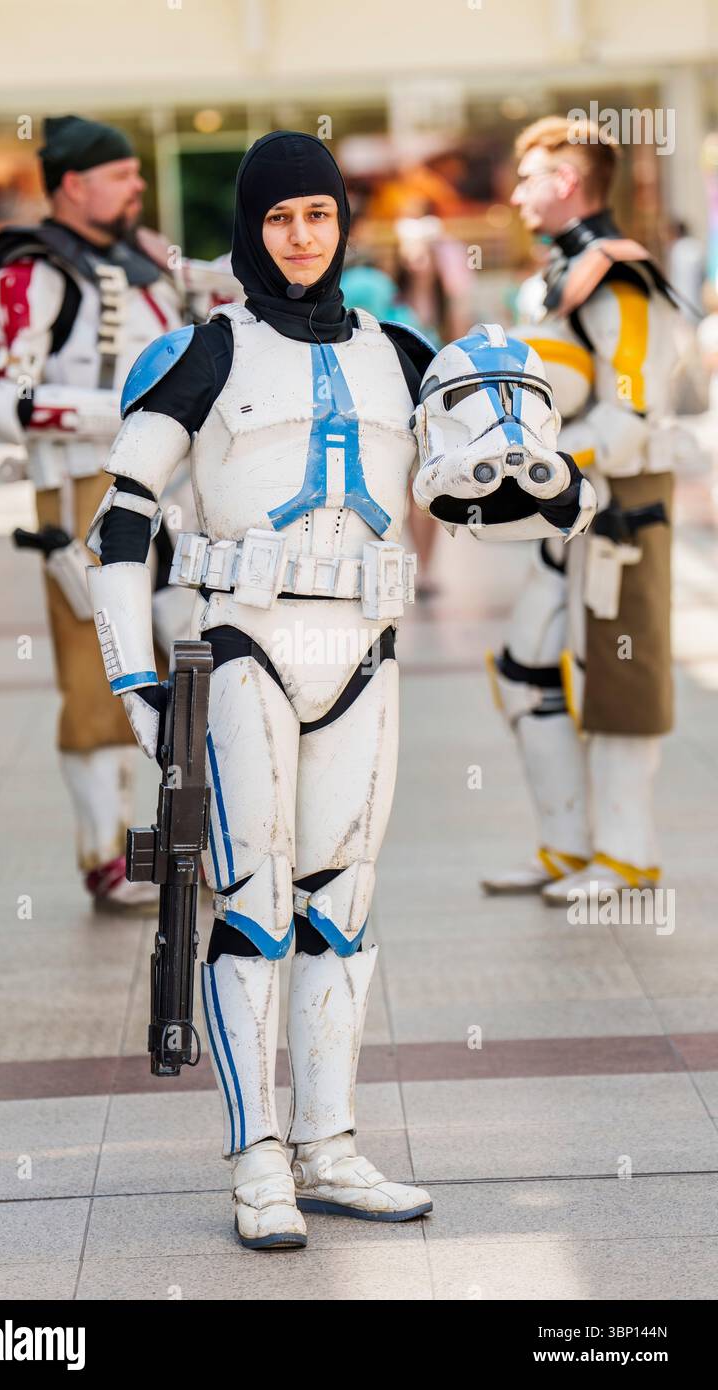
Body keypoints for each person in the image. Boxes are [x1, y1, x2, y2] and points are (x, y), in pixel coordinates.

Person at [84, 131, 592, 1249]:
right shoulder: (206, 350)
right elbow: (121, 517)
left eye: (317, 214)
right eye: (278, 218)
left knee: (342, 907)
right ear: (249, 230)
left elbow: (496, 473)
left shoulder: (399, 350)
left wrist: (554, 485)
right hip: (242, 648)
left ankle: (328, 1142)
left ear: (340, 222)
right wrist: (131, 677)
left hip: (361, 652)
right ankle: (254, 1158)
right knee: (252, 904)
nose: (301, 236)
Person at [0, 115, 232, 912]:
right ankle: (111, 853)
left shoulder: (146, 254)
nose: (138, 187)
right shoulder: (30, 269)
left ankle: (200, 838)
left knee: (197, 650)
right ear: (73, 185)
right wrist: (119, 410)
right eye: (121, 176)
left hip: (178, 486)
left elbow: (221, 304)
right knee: (97, 671)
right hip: (86, 486)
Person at [481, 115, 689, 902]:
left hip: (620, 510)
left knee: (619, 680)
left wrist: (542, 466)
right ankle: (567, 846)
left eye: (530, 176)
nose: (517, 193)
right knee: (524, 669)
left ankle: (627, 855)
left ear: (566, 182)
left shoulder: (620, 274)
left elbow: (631, 415)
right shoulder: (559, 274)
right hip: (565, 507)